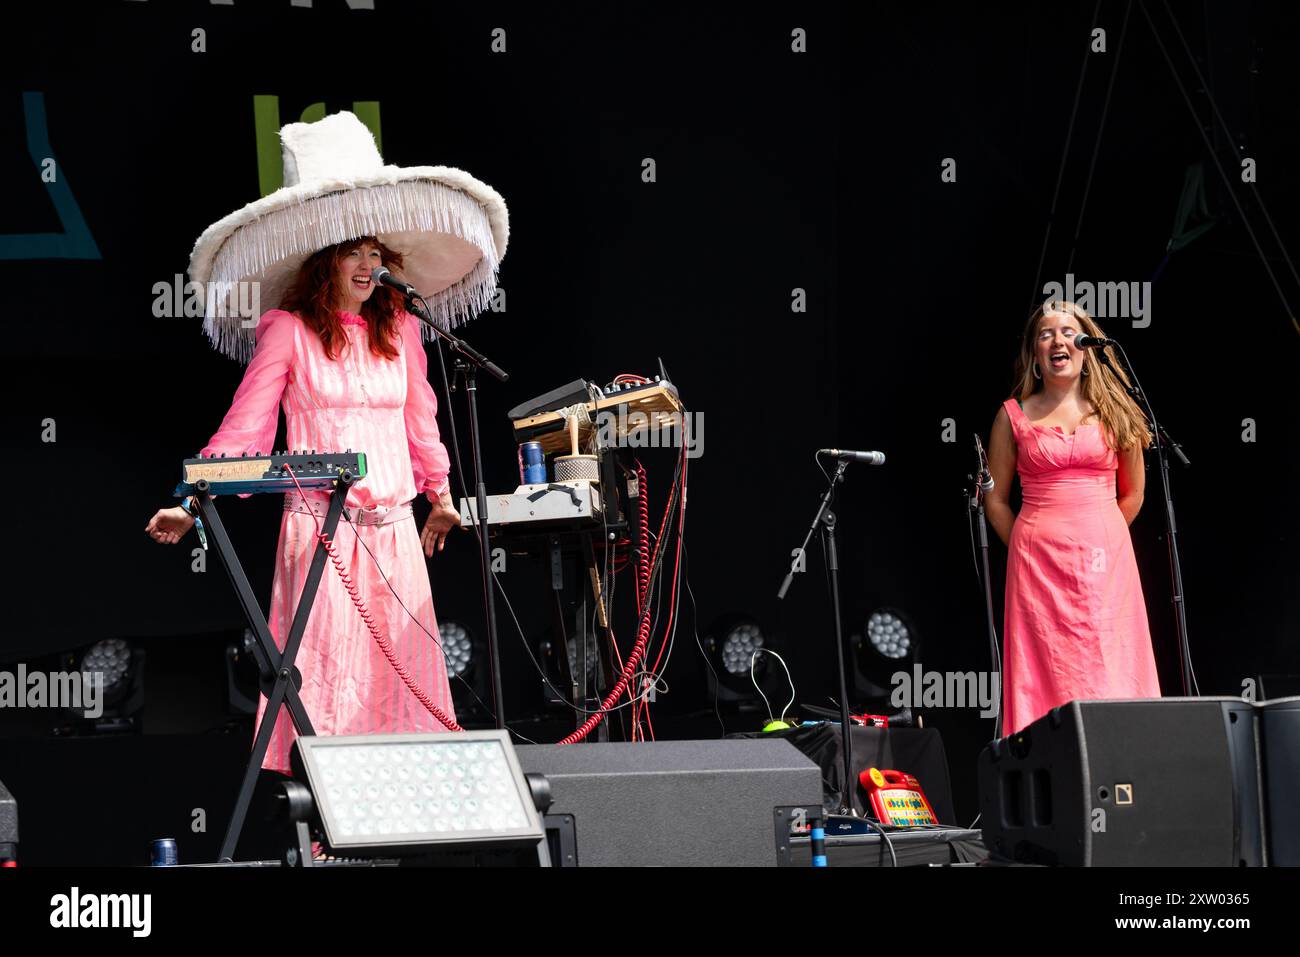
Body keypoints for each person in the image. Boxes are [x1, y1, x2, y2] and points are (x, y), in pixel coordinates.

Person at [144, 236, 464, 772]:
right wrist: (191, 504)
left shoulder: (401, 329)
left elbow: (420, 420)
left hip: (393, 530)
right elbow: (245, 424)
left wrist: (442, 496)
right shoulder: (289, 330)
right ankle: (326, 808)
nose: (368, 266)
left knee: (402, 679)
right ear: (325, 264)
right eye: (354, 254)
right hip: (322, 530)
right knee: (328, 677)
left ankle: (405, 801)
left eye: (376, 255)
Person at [984, 299, 1161, 735]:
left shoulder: (1116, 411)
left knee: (1110, 659)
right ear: (1035, 353)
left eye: (1067, 332)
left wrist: (1101, 536)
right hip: (1037, 566)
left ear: (1086, 348)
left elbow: (1134, 493)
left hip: (1106, 563)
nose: (1057, 341)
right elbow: (996, 500)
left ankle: (1121, 757)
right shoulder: (1012, 415)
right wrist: (1027, 545)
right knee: (1046, 666)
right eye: (1045, 334)